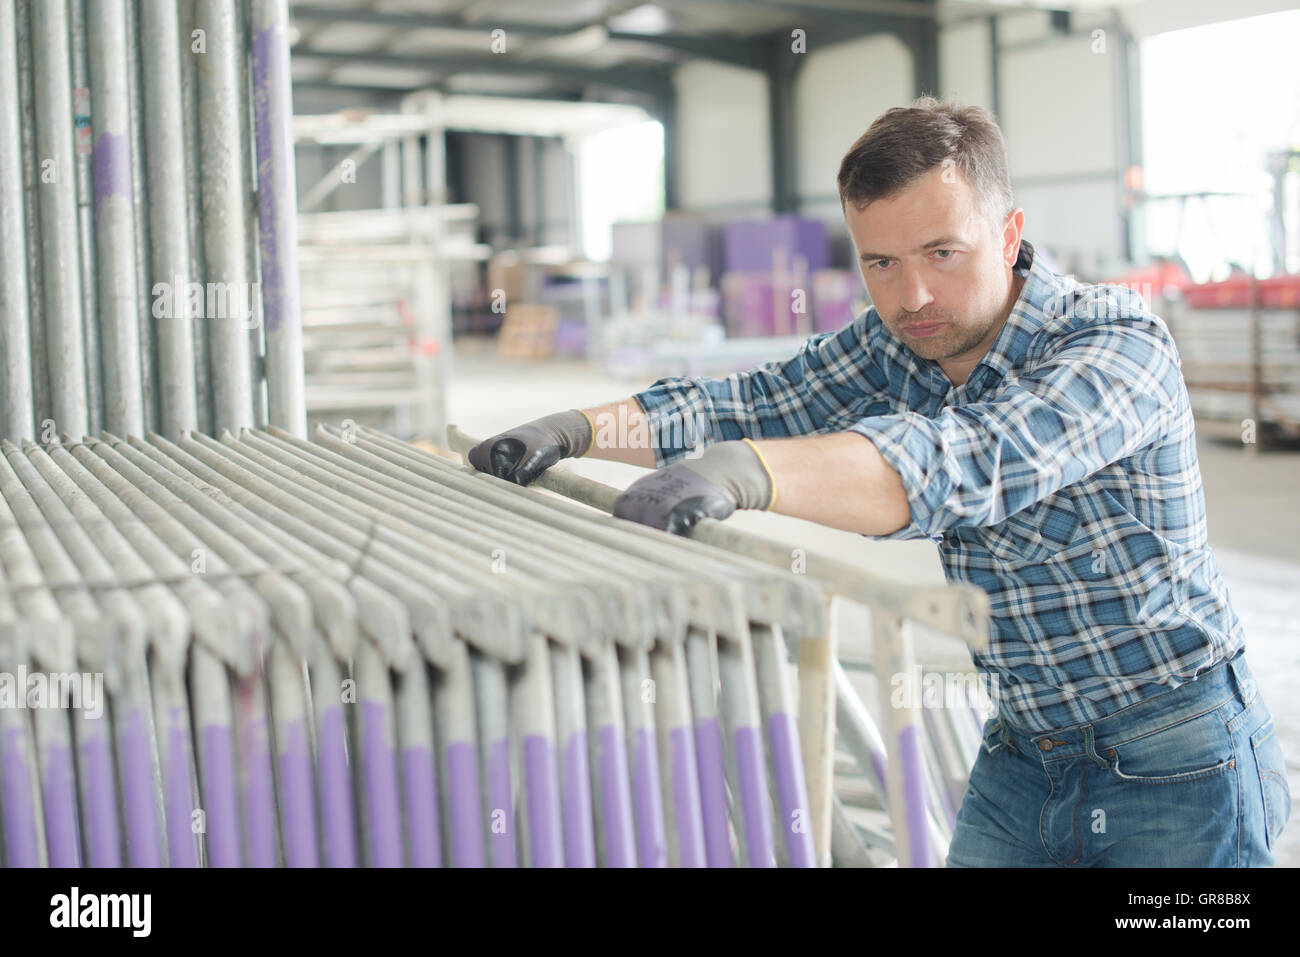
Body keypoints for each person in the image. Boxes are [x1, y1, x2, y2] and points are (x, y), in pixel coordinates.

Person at [468, 96, 1291, 867]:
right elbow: (752, 399)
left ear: (1009, 235)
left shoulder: (1118, 346)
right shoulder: (902, 342)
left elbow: (966, 461)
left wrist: (748, 471)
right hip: (1023, 749)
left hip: (1179, 757)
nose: (914, 295)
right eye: (882, 264)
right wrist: (573, 429)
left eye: (942, 253)